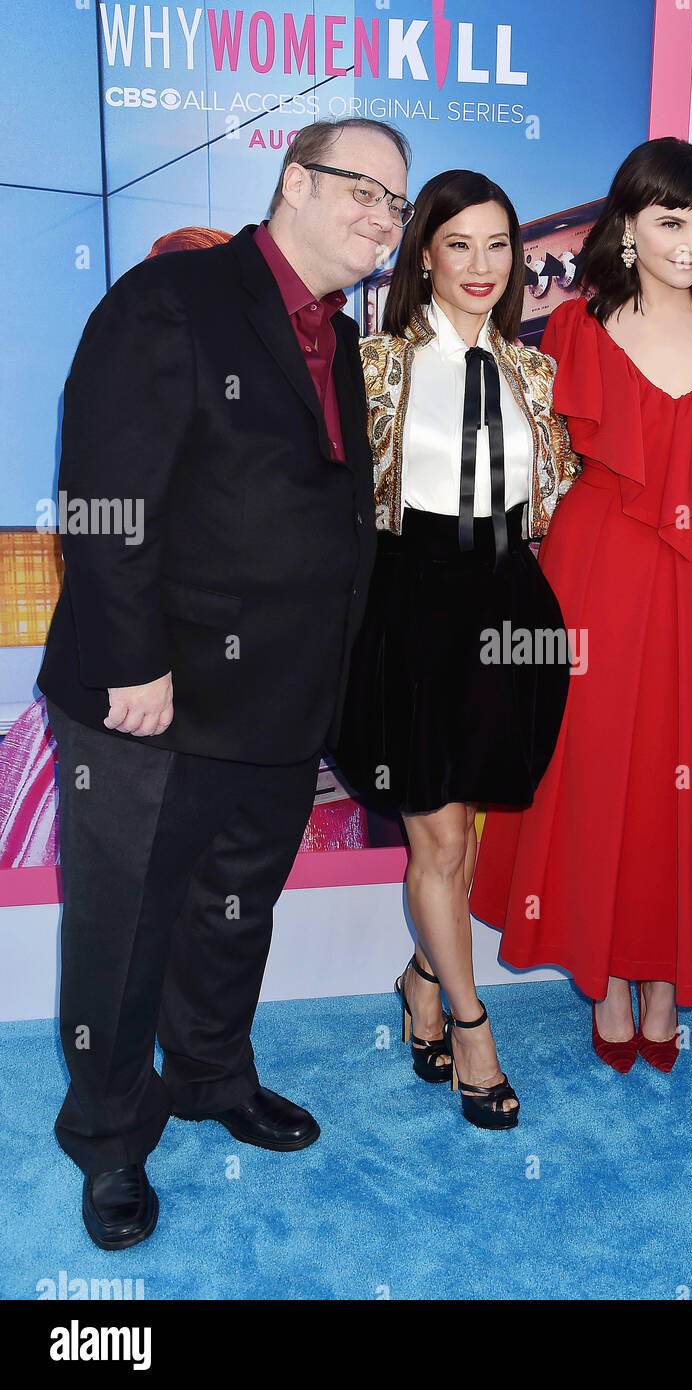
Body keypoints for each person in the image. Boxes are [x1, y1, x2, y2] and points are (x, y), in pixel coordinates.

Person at [36, 116, 410, 1247]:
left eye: (395, 204)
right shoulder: (172, 301)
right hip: (156, 696)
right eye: (361, 190)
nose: (381, 218)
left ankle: (208, 1073)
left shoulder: (335, 335)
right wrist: (132, 663)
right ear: (293, 182)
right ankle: (106, 1136)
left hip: (281, 699)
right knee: (124, 927)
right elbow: (105, 498)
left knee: (236, 904)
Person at [469, 137, 692, 1071]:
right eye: (670, 221)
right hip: (596, 566)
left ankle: (660, 973)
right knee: (599, 765)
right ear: (627, 226)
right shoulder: (573, 330)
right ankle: (601, 973)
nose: (690, 243)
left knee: (690, 763)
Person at [328, 170, 579, 1130]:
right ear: (421, 252)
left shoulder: (536, 372)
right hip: (408, 607)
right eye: (458, 244)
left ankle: (421, 978)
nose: (480, 266)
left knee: (467, 829)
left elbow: (551, 504)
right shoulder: (375, 365)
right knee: (436, 833)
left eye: (498, 246)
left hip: (508, 604)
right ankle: (472, 1028)